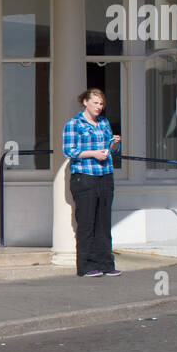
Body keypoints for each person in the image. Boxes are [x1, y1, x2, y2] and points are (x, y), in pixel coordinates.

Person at [62, 88, 122, 278]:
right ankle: (86, 266)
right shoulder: (74, 124)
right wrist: (93, 154)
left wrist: (114, 144)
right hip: (84, 176)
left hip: (105, 174)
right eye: (95, 103)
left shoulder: (103, 123)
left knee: (103, 222)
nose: (99, 107)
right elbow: (69, 150)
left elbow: (110, 150)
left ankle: (105, 263)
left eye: (101, 103)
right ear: (85, 102)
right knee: (87, 221)